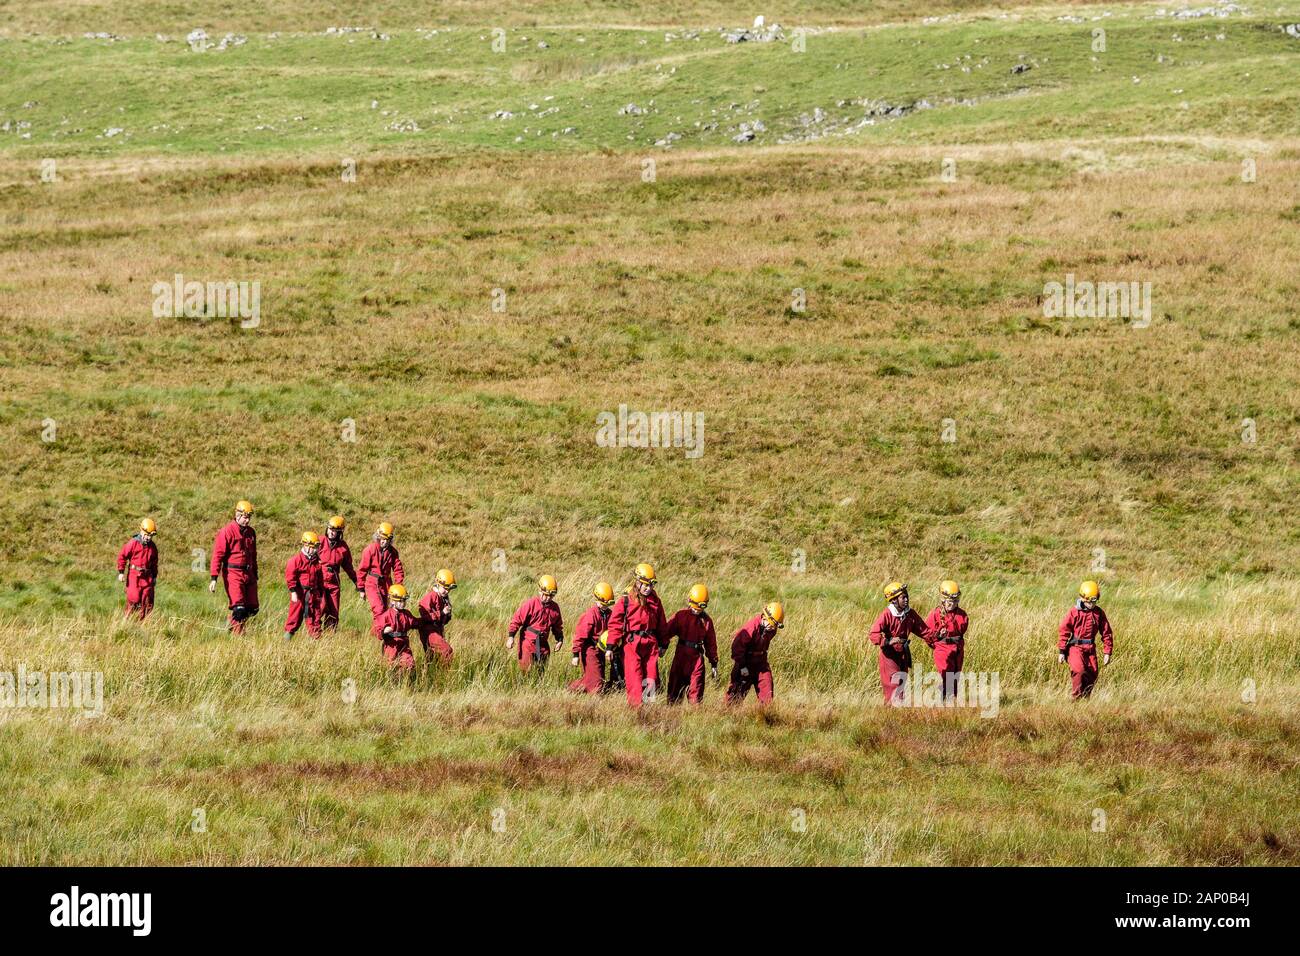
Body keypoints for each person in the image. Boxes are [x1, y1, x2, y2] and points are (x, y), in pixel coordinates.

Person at [606, 563, 669, 708]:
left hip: (651, 643)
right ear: (637, 582)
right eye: (645, 585)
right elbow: (615, 624)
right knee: (634, 676)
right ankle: (636, 710)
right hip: (632, 644)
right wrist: (610, 646)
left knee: (651, 676)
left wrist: (664, 643)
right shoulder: (626, 600)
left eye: (651, 585)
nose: (648, 588)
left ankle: (649, 707)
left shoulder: (656, 601)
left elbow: (662, 623)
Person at [868, 581, 928, 705]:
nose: (906, 599)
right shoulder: (886, 614)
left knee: (902, 684)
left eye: (907, 596)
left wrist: (938, 637)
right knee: (893, 686)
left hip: (903, 654)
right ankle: (891, 717)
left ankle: (898, 716)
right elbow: (873, 635)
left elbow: (924, 630)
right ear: (894, 600)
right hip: (889, 655)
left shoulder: (910, 614)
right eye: (903, 597)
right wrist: (887, 641)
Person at [1058, 580, 1114, 699]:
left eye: (1095, 601)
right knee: (1079, 670)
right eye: (1090, 602)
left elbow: (1106, 633)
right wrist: (1062, 651)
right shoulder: (1074, 612)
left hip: (1091, 649)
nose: (1092, 604)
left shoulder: (1099, 613)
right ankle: (1076, 700)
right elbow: (1064, 630)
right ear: (1083, 599)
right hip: (1075, 648)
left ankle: (1085, 700)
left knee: (1092, 673)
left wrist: (1107, 652)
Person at [210, 500, 259, 634]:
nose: (247, 520)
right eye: (245, 517)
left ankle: (230, 623)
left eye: (249, 517)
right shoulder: (226, 532)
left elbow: (253, 555)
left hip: (249, 574)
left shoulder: (251, 533)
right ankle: (239, 637)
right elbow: (217, 556)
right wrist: (214, 578)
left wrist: (255, 573)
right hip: (233, 573)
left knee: (253, 608)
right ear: (237, 515)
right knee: (239, 608)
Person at [665, 583, 718, 705]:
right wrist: (661, 645)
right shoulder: (681, 615)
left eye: (699, 608)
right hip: (680, 657)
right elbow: (667, 631)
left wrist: (714, 662)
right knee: (674, 690)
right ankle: (671, 715)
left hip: (697, 660)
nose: (695, 610)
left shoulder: (706, 621)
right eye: (694, 606)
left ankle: (695, 717)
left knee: (696, 692)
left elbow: (711, 643)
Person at [725, 602, 784, 704]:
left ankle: (765, 716)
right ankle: (727, 715)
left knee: (767, 694)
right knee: (735, 697)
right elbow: (737, 647)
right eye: (772, 625)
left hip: (761, 664)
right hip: (745, 663)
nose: (773, 628)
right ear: (765, 618)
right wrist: (742, 666)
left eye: (775, 626)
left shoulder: (771, 629)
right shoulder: (751, 628)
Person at [507, 575, 564, 672]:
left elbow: (557, 626)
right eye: (546, 594)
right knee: (527, 670)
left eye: (551, 596)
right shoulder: (530, 604)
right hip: (528, 643)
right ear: (540, 591)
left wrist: (559, 639)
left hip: (543, 644)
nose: (548, 598)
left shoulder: (555, 608)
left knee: (541, 671)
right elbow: (517, 620)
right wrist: (511, 637)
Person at [923, 580, 969, 700]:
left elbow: (962, 630)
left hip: (958, 649)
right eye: (950, 601)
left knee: (955, 675)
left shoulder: (962, 614)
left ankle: (951, 700)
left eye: (956, 600)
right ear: (943, 599)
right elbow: (927, 635)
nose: (953, 603)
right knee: (946, 675)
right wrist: (937, 643)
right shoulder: (935, 614)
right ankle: (942, 699)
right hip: (942, 649)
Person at [568, 581, 615, 695]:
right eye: (604, 604)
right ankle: (571, 687)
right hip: (590, 650)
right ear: (597, 601)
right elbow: (580, 635)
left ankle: (583, 687)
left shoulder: (610, 614)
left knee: (599, 680)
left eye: (608, 604)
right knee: (596, 685)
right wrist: (575, 655)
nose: (606, 606)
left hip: (602, 650)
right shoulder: (591, 615)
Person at [317, 515, 357, 631]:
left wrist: (358, 583)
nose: (332, 533)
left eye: (335, 531)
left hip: (334, 582)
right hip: (320, 580)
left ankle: (329, 639)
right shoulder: (319, 541)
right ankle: (314, 634)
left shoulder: (343, 547)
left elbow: (349, 568)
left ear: (340, 532)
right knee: (321, 607)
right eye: (330, 529)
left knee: (333, 612)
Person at [357, 521, 403, 619]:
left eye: (387, 539)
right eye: (382, 538)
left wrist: (398, 586)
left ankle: (376, 633)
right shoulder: (369, 550)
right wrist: (361, 589)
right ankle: (380, 634)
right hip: (372, 583)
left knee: (387, 612)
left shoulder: (393, 552)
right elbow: (362, 570)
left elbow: (398, 570)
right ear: (378, 536)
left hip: (387, 584)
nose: (384, 541)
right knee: (379, 610)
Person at [284, 531, 326, 639]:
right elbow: (290, 577)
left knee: (315, 618)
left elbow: (320, 578)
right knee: (294, 618)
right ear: (305, 545)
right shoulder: (295, 560)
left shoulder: (317, 561)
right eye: (313, 547)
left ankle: (316, 642)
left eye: (316, 547)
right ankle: (286, 640)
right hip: (300, 594)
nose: (315, 550)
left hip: (313, 594)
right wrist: (293, 591)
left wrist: (320, 592)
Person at [116, 518, 159, 619]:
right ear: (142, 531)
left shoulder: (153, 547)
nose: (149, 538)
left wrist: (154, 576)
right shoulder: (133, 543)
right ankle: (127, 621)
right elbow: (122, 556)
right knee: (133, 599)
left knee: (147, 601)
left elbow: (154, 563)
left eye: (151, 536)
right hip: (134, 576)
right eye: (147, 535)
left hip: (147, 577)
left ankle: (143, 624)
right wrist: (121, 572)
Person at [372, 584, 419, 671]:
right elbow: (376, 630)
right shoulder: (386, 615)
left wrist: (429, 619)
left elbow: (416, 623)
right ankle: (394, 682)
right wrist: (384, 631)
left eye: (404, 600)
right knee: (392, 667)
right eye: (400, 601)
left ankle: (407, 682)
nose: (403, 603)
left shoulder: (406, 614)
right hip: (391, 645)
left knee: (410, 664)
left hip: (404, 645)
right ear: (392, 601)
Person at [416, 568, 457, 664]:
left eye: (449, 589)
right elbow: (425, 616)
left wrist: (448, 614)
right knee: (447, 651)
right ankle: (445, 675)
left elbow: (444, 621)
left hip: (437, 630)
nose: (447, 591)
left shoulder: (444, 598)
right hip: (429, 631)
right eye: (445, 588)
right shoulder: (431, 596)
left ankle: (430, 676)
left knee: (432, 659)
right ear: (438, 584)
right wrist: (442, 613)